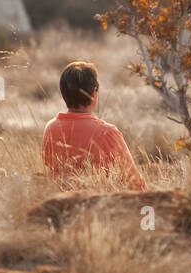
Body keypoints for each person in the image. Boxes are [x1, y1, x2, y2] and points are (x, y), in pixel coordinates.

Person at [42, 61, 146, 190]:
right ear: (94, 92)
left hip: (60, 206)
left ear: (63, 93)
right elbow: (136, 184)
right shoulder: (108, 132)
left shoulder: (50, 128)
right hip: (97, 205)